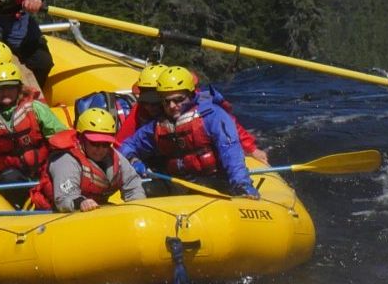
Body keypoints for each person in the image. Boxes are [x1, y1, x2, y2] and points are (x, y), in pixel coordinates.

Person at [118, 65, 260, 197]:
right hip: (179, 183)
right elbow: (127, 146)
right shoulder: (156, 125)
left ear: (191, 95)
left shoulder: (212, 116)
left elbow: (231, 151)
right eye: (166, 102)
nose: (172, 106)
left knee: (204, 185)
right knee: (145, 191)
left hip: (214, 181)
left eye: (178, 100)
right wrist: (134, 160)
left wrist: (242, 183)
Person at [38, 108, 146, 212]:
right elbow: (65, 199)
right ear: (81, 138)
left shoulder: (114, 157)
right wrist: (81, 203)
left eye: (105, 144)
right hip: (58, 215)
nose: (100, 149)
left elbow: (133, 185)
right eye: (94, 143)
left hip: (97, 212)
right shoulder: (66, 160)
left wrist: (139, 208)